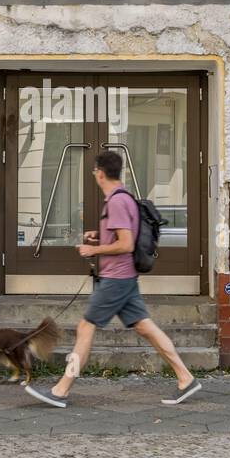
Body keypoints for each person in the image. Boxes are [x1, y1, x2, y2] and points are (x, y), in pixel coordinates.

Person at [25, 150, 201, 408]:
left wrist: (93, 250)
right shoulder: (124, 197)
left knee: (85, 328)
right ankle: (186, 379)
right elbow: (122, 235)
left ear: (99, 172)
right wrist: (101, 235)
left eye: (94, 171)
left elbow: (126, 244)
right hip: (125, 278)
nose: (94, 174)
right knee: (145, 328)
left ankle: (61, 390)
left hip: (116, 279)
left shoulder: (116, 202)